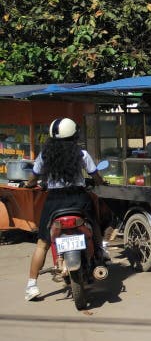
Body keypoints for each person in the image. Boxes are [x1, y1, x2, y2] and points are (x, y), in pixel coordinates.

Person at [23, 117, 105, 302]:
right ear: (74, 134)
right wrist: (101, 182)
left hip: (54, 202)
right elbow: (96, 176)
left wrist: (28, 185)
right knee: (94, 225)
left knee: (42, 244)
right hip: (79, 199)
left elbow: (33, 179)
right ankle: (100, 251)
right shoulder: (82, 154)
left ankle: (32, 285)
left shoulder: (44, 155)